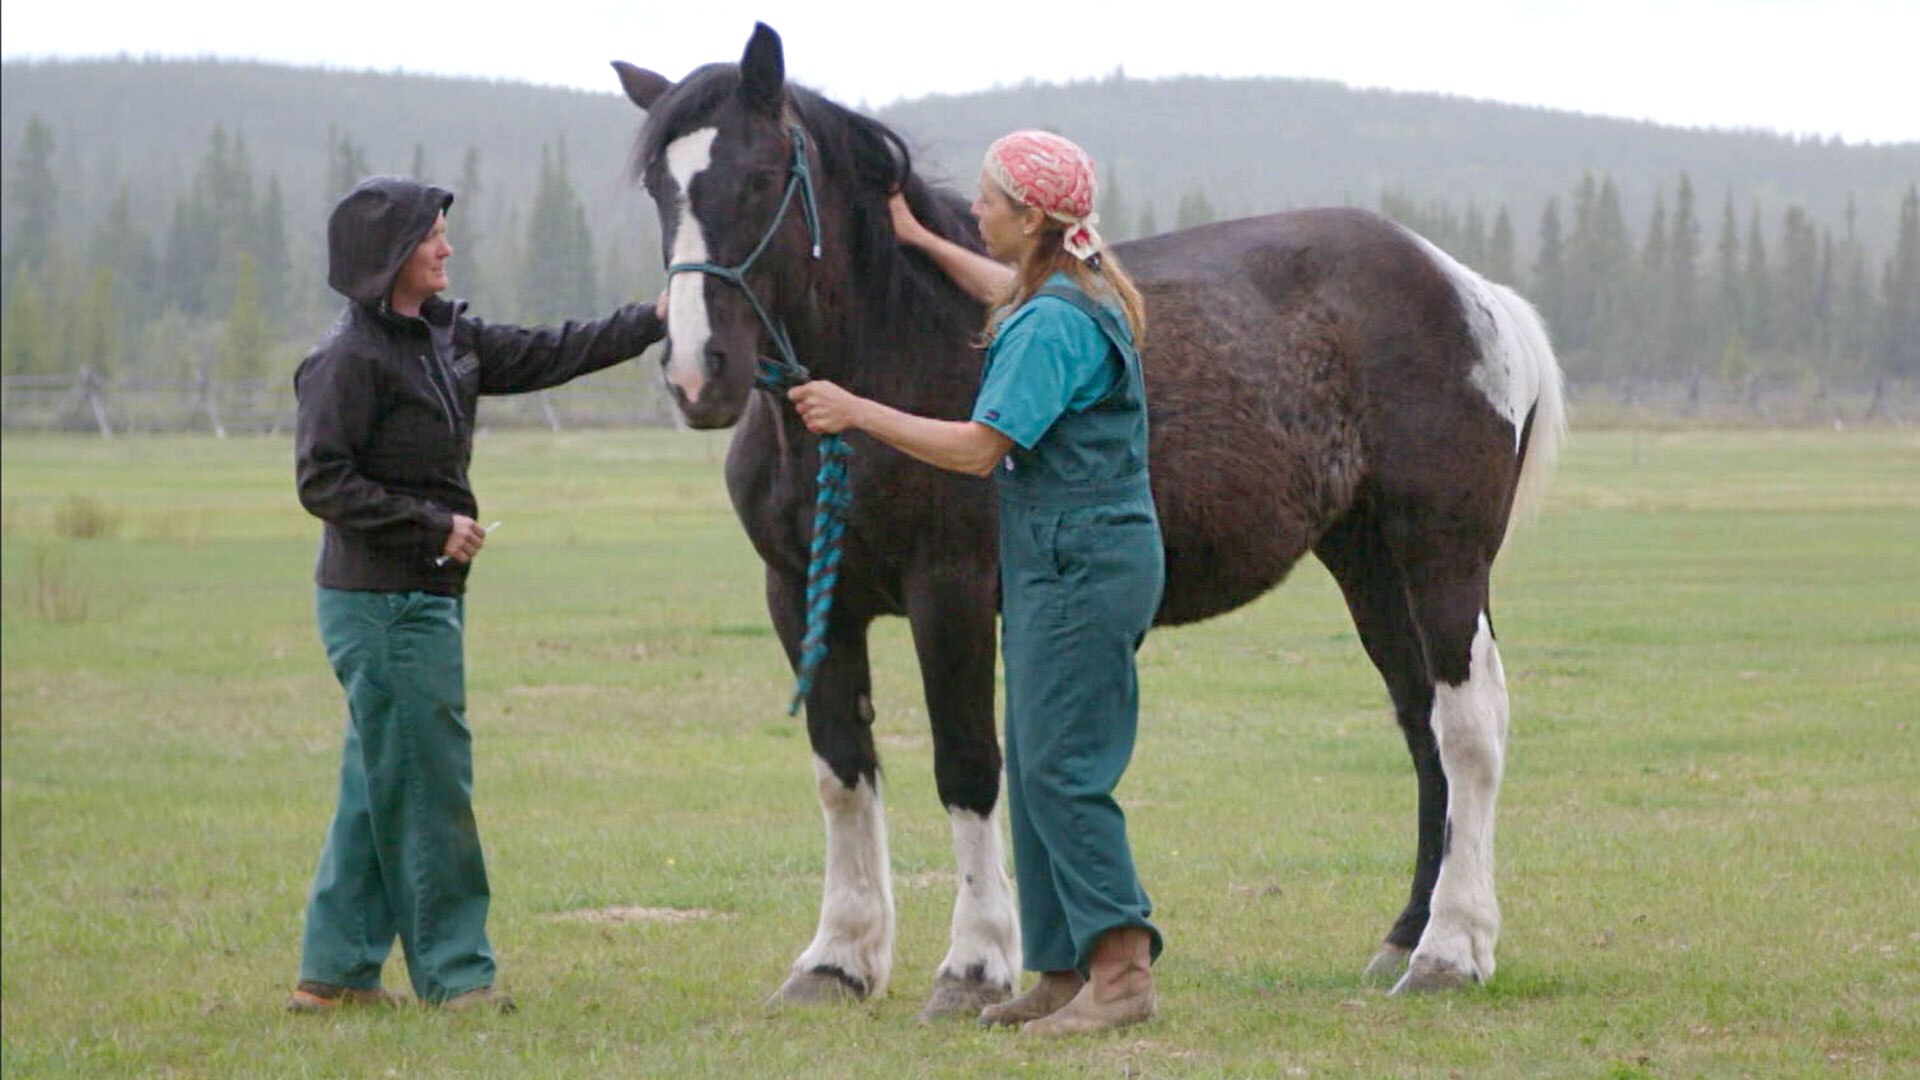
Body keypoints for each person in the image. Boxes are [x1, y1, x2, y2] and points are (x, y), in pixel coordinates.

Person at [788, 131, 1163, 1036]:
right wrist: (919, 241)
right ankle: (1065, 968)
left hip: (1082, 558)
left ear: (1031, 217)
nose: (977, 213)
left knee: (1064, 768)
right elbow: (999, 285)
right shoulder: (1062, 288)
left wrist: (856, 410)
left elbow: (978, 447)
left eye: (988, 202)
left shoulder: (1053, 323)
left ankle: (1120, 972)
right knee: (1031, 766)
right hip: (1059, 554)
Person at [288, 176, 665, 1013]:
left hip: (423, 599)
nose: (447, 247)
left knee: (379, 783)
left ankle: (335, 976)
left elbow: (551, 349)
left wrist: (653, 319)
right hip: (381, 603)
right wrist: (431, 526)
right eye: (431, 236)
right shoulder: (347, 359)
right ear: (392, 255)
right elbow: (322, 481)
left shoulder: (447, 337)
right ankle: (458, 978)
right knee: (429, 787)